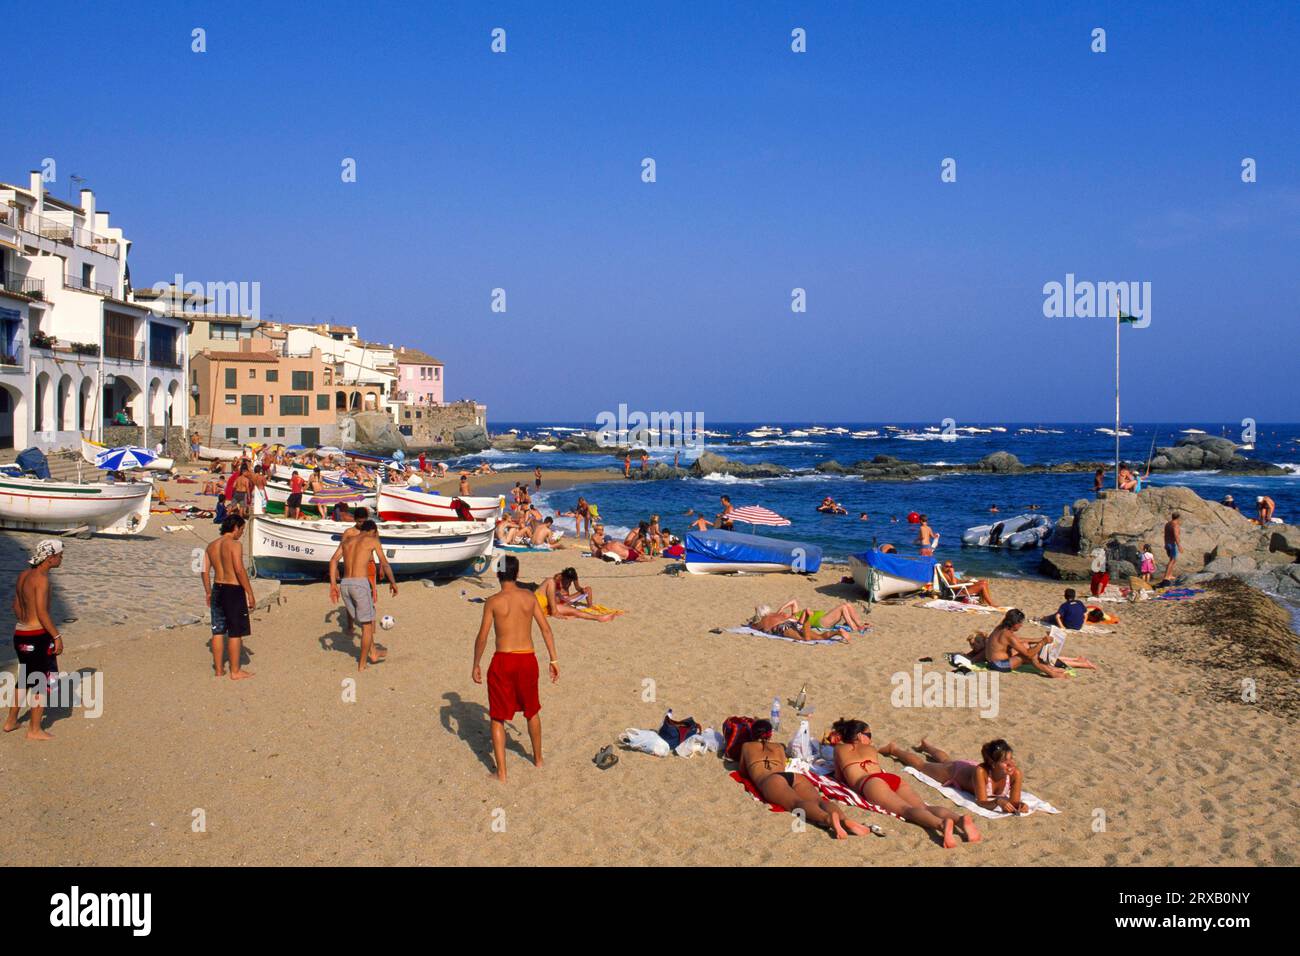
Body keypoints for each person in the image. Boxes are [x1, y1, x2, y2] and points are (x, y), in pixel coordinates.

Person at [472, 556, 559, 783]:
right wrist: (553, 660)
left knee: (498, 717)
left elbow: (482, 636)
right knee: (532, 710)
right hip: (527, 659)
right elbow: (546, 630)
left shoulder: (493, 601)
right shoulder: (529, 597)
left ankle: (501, 773)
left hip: (503, 660)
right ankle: (538, 760)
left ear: (498, 574)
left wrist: (476, 664)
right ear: (517, 574)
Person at [831, 719, 979, 848]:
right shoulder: (871, 748)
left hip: (871, 782)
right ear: (859, 736)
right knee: (923, 807)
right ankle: (960, 820)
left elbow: (838, 777)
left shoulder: (839, 749)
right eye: (869, 735)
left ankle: (941, 825)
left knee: (906, 810)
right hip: (890, 778)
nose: (870, 739)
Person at [739, 719, 868, 838]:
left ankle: (827, 819)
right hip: (793, 776)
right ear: (770, 734)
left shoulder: (746, 746)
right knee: (819, 800)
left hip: (771, 780)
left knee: (796, 803)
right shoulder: (778, 746)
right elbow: (783, 764)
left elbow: (743, 771)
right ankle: (844, 820)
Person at [4, 540, 66, 740]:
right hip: (36, 636)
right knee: (41, 682)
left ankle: (11, 721)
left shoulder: (24, 575)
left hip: (20, 633)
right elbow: (41, 613)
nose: (61, 558)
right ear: (50, 558)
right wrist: (56, 636)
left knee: (24, 678)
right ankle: (35, 729)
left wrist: (25, 622)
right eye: (60, 555)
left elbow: (15, 605)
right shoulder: (42, 579)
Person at [881, 738, 1028, 815]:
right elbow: (981, 801)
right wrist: (997, 802)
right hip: (955, 772)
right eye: (1004, 761)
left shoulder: (1016, 774)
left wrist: (1020, 806)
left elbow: (1014, 802)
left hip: (966, 768)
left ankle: (926, 747)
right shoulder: (981, 772)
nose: (1011, 764)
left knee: (946, 760)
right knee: (922, 766)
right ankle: (894, 749)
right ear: (992, 763)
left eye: (1011, 759)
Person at [328, 520, 398, 671]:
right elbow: (384, 564)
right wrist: (393, 582)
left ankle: (373, 651)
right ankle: (362, 664)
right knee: (367, 626)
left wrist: (333, 584)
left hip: (345, 584)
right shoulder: (372, 540)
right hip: (360, 584)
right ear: (372, 530)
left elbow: (333, 560)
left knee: (364, 623)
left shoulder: (347, 541)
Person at [203, 516, 256, 680]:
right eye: (241, 529)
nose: (241, 533)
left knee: (218, 630)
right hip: (232, 589)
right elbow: (239, 569)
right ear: (235, 528)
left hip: (217, 588)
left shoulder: (210, 546)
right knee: (235, 632)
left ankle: (219, 670)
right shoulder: (234, 544)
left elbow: (204, 571)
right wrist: (250, 592)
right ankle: (235, 671)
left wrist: (208, 591)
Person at [968, 609, 1067, 678]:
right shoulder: (1009, 636)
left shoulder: (1001, 627)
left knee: (1027, 649)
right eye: (1020, 623)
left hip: (992, 662)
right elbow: (1028, 654)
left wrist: (1039, 639)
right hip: (999, 665)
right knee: (1029, 656)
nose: (1021, 626)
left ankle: (1050, 668)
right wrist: (1042, 642)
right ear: (1014, 624)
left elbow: (1018, 641)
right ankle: (1052, 673)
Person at [538, 568, 616, 622]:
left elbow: (577, 587)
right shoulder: (555, 579)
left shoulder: (573, 578)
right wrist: (562, 599)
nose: (568, 581)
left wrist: (582, 590)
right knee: (574, 611)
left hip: (557, 604)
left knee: (587, 591)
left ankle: (596, 614)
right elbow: (552, 594)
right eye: (567, 579)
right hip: (555, 602)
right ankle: (598, 617)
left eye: (570, 580)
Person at [1159, 511, 1182, 585]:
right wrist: (1179, 546)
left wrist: (1165, 544)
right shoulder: (1175, 525)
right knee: (1172, 560)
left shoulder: (1167, 524)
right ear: (1178, 517)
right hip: (1172, 544)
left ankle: (1170, 575)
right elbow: (1176, 535)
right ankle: (1166, 577)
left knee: (1172, 559)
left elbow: (1165, 534)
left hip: (1167, 543)